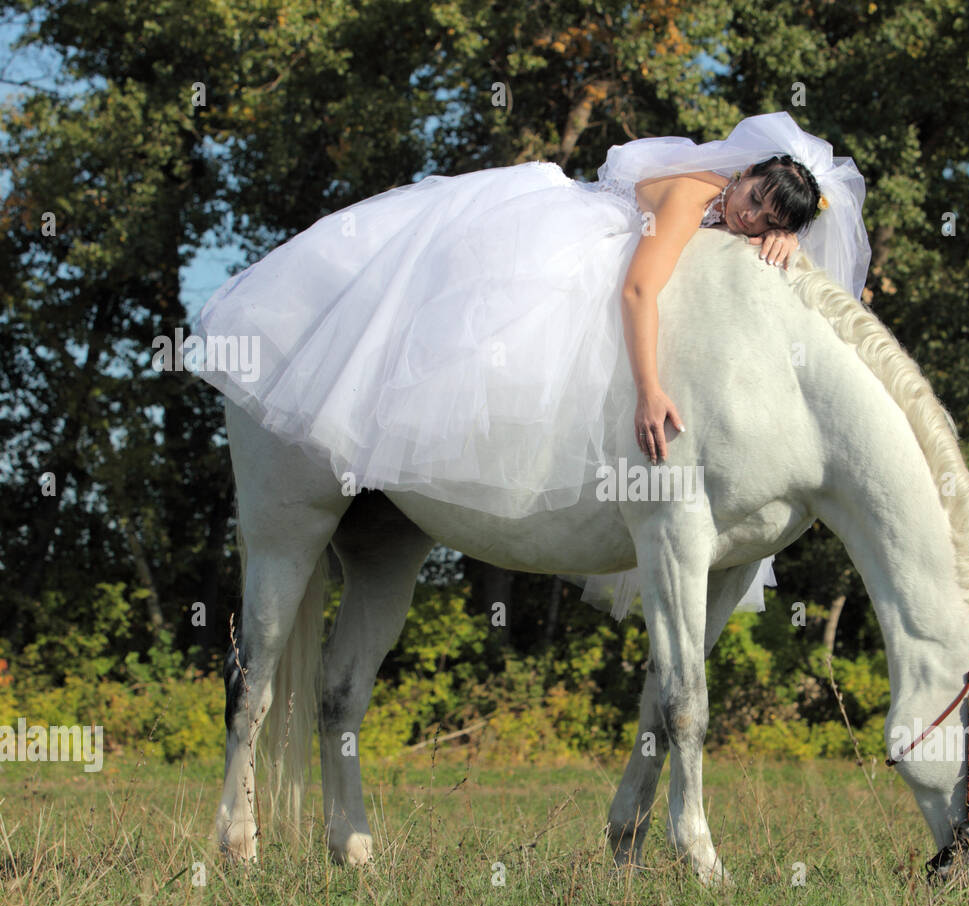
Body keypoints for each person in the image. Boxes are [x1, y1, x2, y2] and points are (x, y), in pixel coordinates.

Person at [194, 111, 871, 618]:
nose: (744, 214)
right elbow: (638, 290)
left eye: (761, 219)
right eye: (750, 194)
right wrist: (648, 391)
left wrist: (783, 237)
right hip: (578, 245)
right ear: (743, 170)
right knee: (508, 344)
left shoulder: (748, 223)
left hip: (626, 260)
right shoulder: (696, 193)